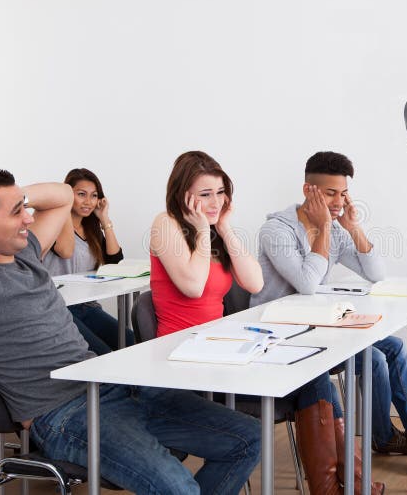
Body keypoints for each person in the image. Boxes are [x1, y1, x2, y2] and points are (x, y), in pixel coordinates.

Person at [0, 168, 260, 494]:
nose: (29, 217)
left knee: (248, 438)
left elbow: (63, 195)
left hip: (111, 388)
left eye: (25, 208)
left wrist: (12, 199)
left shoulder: (28, 252)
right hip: (63, 415)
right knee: (178, 486)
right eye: (17, 211)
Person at [150, 151, 384, 494]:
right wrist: (203, 230)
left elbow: (254, 282)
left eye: (220, 193)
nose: (215, 202)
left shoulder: (215, 231)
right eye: (204, 195)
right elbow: (193, 285)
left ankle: (343, 486)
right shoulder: (165, 223)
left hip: (219, 351)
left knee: (314, 372)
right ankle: (344, 486)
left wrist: (224, 228)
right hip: (182, 360)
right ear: (182, 195)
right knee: (315, 376)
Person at [251, 151, 407, 471]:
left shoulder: (335, 226)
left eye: (343, 193)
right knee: (372, 357)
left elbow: (376, 274)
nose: (338, 201)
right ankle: (386, 436)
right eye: (330, 193)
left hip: (318, 324)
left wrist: (353, 228)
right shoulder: (276, 231)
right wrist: (325, 229)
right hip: (281, 332)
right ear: (308, 190)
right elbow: (306, 283)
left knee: (394, 346)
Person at [43, 168, 135, 354]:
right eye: (81, 194)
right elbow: (65, 251)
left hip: (87, 306)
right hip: (61, 307)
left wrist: (104, 219)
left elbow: (115, 264)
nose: (88, 202)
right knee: (103, 354)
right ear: (68, 195)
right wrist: (64, 209)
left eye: (94, 196)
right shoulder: (53, 224)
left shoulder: (91, 229)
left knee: (132, 344)